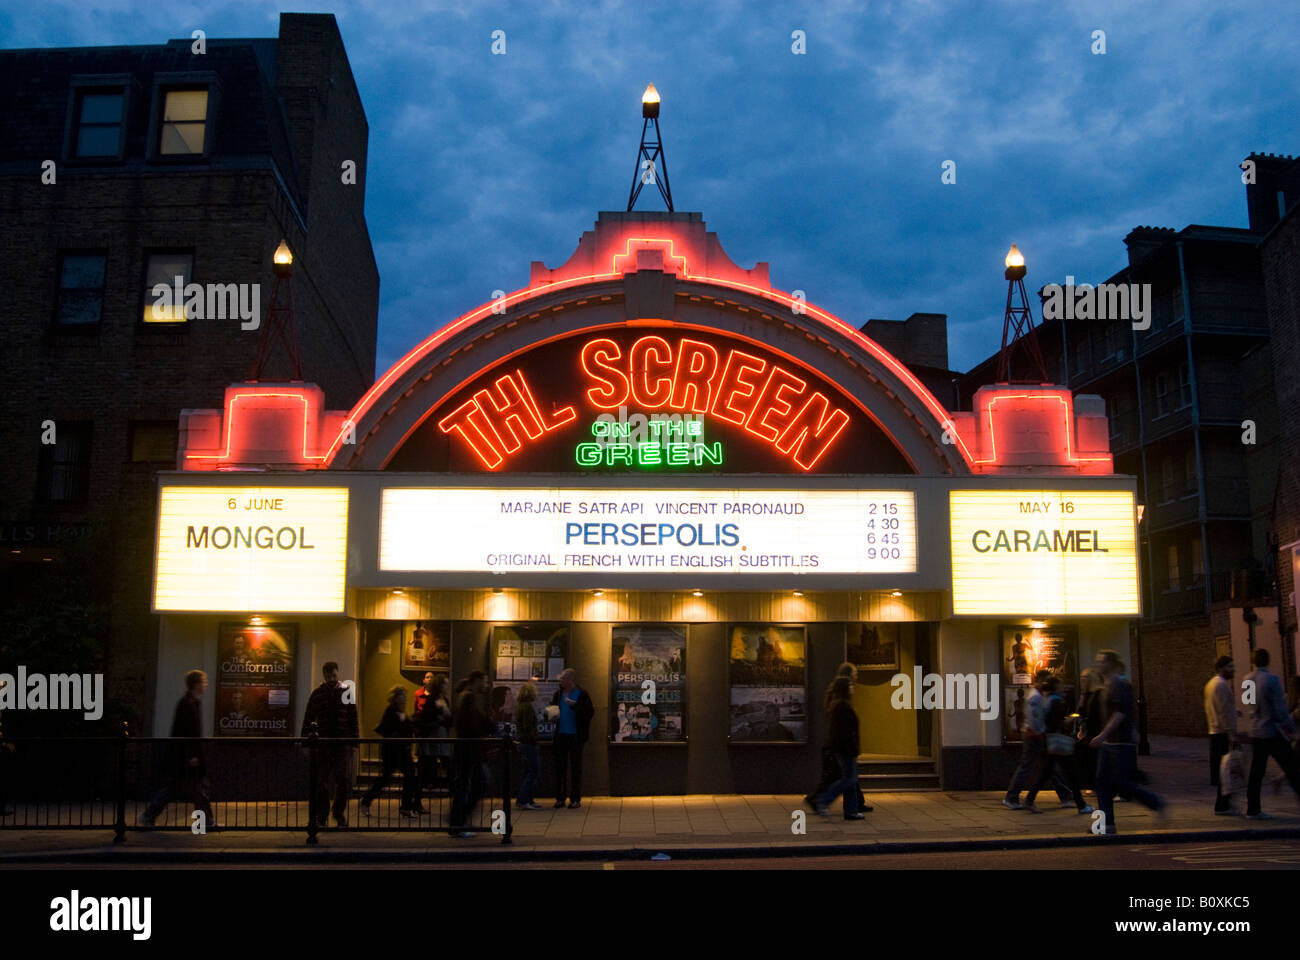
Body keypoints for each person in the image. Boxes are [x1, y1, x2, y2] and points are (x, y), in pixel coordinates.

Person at [1090, 650, 1163, 834]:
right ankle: (1104, 825)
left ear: (1111, 663)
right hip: (1110, 744)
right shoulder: (1106, 685)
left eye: (1101, 661)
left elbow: (1119, 714)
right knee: (1102, 784)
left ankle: (1156, 803)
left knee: (1121, 783)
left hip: (1121, 743)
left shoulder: (1120, 685)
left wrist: (1102, 736)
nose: (1098, 664)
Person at [140, 670, 215, 828]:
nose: (205, 685)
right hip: (186, 756)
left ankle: (149, 816)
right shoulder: (188, 704)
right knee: (195, 789)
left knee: (178, 789)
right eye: (203, 682)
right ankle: (206, 822)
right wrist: (192, 755)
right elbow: (185, 732)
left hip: (183, 755)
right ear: (196, 684)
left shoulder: (190, 703)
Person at [805, 663, 872, 812]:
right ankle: (821, 800)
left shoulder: (837, 699)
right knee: (845, 778)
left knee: (848, 777)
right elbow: (844, 728)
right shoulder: (841, 704)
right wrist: (852, 747)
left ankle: (853, 807)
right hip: (842, 746)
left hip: (840, 746)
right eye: (854, 674)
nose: (856, 677)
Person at [1242, 647, 1300, 819]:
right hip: (1272, 732)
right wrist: (1289, 728)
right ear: (1267, 661)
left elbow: (1250, 707)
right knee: (1291, 768)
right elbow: (1280, 710)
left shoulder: (1247, 680)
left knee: (1256, 772)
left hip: (1256, 731)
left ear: (1253, 661)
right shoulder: (1272, 679)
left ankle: (1253, 809)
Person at [302, 661, 359, 828]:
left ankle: (333, 813)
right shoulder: (322, 694)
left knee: (340, 780)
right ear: (325, 675)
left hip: (337, 742)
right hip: (329, 743)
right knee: (324, 780)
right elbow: (309, 716)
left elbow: (353, 718)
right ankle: (329, 814)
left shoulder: (321, 693)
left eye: (333, 675)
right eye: (328, 676)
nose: (331, 679)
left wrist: (354, 741)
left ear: (337, 673)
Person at [1004, 671, 1071, 809]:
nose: (1047, 685)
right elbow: (1034, 719)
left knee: (1047, 766)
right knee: (1029, 766)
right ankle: (1012, 797)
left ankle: (1065, 795)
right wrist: (1040, 733)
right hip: (1034, 736)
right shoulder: (1035, 697)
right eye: (1045, 681)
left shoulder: (1039, 696)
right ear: (1040, 681)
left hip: (1036, 735)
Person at [1025, 676, 1091, 814]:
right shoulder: (1057, 701)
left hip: (1049, 741)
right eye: (1060, 684)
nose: (1062, 686)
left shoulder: (1045, 699)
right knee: (1070, 774)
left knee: (1046, 773)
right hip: (1058, 742)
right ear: (1056, 686)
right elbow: (1056, 722)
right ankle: (1081, 804)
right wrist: (1069, 721)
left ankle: (1030, 800)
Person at [361, 686, 423, 817]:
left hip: (403, 750)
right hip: (392, 750)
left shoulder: (402, 713)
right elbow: (387, 729)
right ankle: (366, 801)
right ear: (396, 697)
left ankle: (406, 806)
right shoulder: (391, 711)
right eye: (402, 695)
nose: (404, 698)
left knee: (409, 775)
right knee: (386, 777)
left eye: (405, 696)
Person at [810, 677, 862, 819]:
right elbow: (845, 731)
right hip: (846, 748)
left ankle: (851, 811)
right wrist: (852, 747)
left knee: (850, 780)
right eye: (850, 686)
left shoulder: (838, 705)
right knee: (849, 779)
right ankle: (824, 800)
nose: (853, 688)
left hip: (843, 747)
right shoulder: (842, 707)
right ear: (845, 689)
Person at [449, 671, 492, 837]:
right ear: (477, 681)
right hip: (469, 750)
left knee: (471, 785)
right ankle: (458, 822)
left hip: (468, 750)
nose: (487, 686)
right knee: (474, 785)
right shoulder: (469, 698)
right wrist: (486, 729)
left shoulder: (467, 697)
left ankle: (458, 821)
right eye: (485, 681)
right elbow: (471, 724)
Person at [551, 668, 594, 809]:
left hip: (576, 736)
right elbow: (553, 709)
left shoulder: (581, 694)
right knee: (560, 768)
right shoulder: (558, 694)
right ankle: (560, 798)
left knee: (576, 768)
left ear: (570, 680)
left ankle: (575, 798)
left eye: (563, 680)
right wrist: (551, 715)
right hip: (560, 735)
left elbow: (589, 713)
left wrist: (575, 706)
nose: (561, 682)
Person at [1204, 655, 1238, 815]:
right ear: (1220, 668)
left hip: (1214, 731)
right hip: (1221, 733)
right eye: (1229, 667)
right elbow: (1223, 712)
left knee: (1223, 770)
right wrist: (1232, 734)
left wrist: (1234, 711)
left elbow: (1218, 708)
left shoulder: (1210, 684)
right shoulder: (1222, 685)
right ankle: (1222, 805)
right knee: (1226, 771)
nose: (1233, 670)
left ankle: (1224, 803)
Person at [415, 675, 453, 794]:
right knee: (434, 760)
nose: (447, 687)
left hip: (441, 734)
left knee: (443, 759)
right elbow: (427, 715)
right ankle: (432, 782)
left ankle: (442, 782)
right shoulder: (432, 699)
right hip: (433, 734)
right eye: (445, 684)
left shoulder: (444, 699)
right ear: (440, 686)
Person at [1075, 668, 1104, 792]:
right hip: (1088, 732)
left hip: (1096, 731)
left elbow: (1097, 715)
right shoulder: (1085, 695)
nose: (1082, 680)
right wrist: (1081, 728)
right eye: (1081, 677)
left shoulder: (1098, 694)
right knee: (1089, 760)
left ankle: (1099, 787)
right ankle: (1094, 786)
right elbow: (1081, 712)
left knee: (1096, 760)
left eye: (1085, 677)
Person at [515, 682, 542, 810]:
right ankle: (523, 799)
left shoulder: (520, 706)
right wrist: (534, 739)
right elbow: (528, 727)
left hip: (523, 742)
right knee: (533, 772)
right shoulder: (527, 707)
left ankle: (528, 800)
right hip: (529, 743)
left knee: (527, 772)